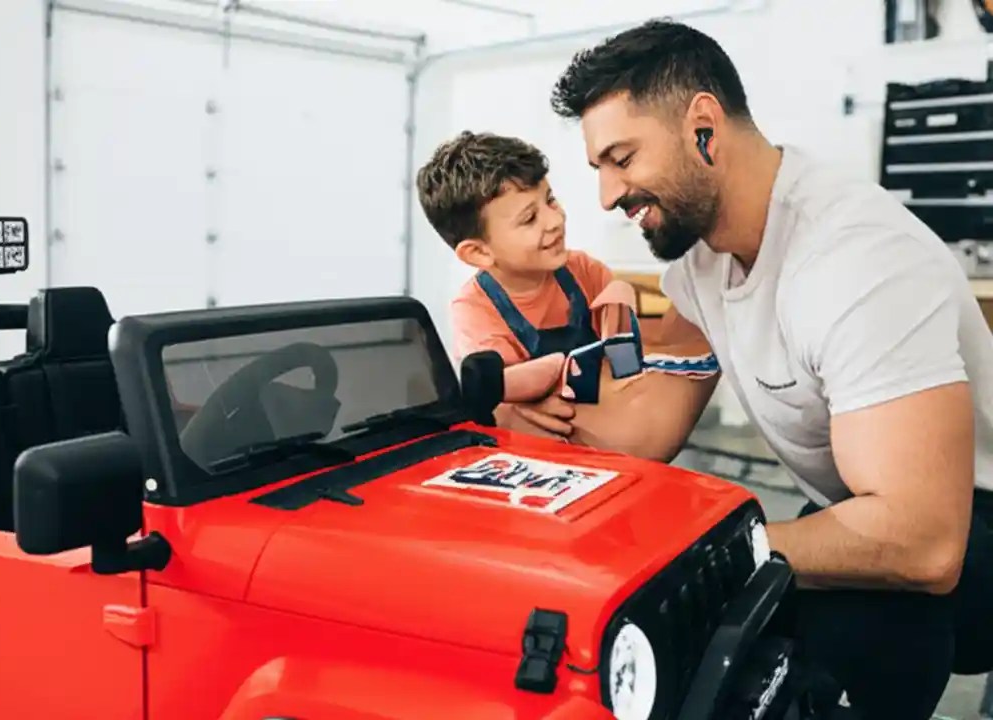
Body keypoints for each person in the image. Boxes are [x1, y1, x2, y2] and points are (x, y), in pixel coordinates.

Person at [545, 18, 993, 718]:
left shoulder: (853, 260)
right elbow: (649, 432)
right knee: (710, 629)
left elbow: (927, 543)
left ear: (703, 128)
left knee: (816, 645)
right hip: (867, 502)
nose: (607, 195)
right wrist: (528, 413)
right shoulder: (700, 260)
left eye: (622, 159)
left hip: (970, 521)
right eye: (599, 168)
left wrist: (702, 554)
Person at [414, 130, 718, 456]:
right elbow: (501, 397)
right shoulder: (475, 308)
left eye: (550, 200)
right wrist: (512, 408)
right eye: (529, 218)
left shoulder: (582, 270)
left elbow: (622, 348)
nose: (554, 220)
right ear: (478, 253)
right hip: (546, 445)